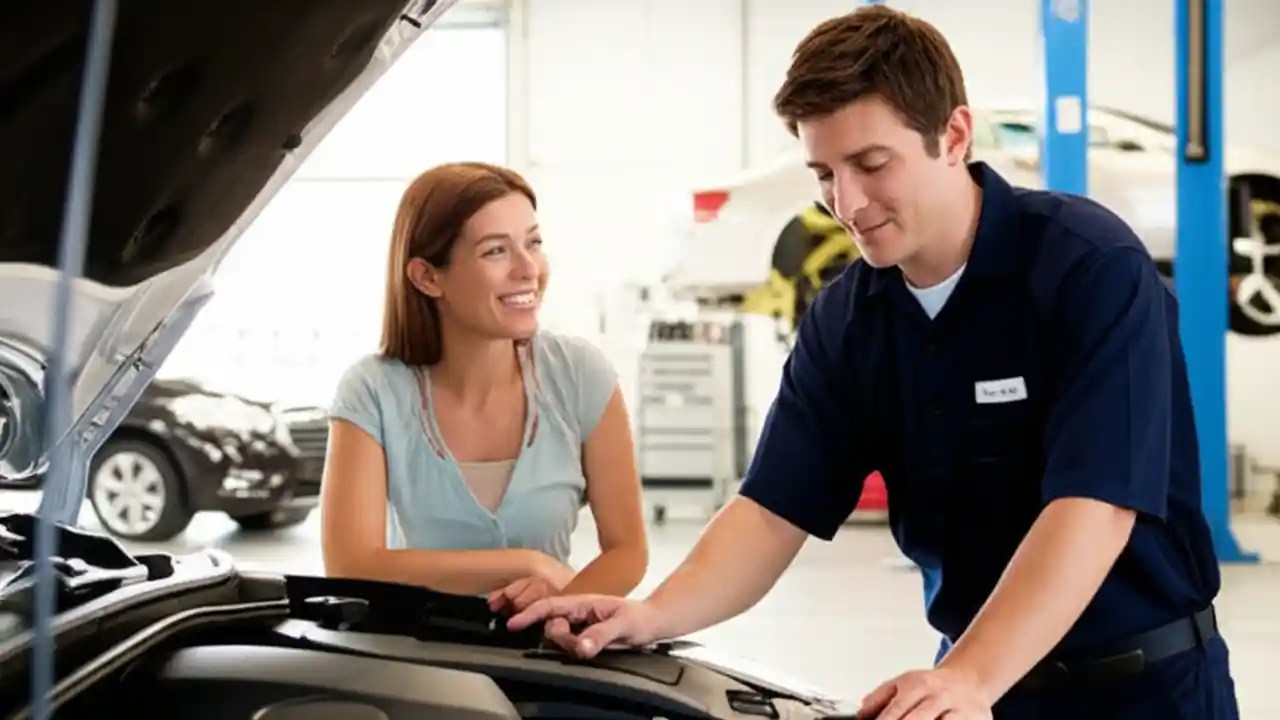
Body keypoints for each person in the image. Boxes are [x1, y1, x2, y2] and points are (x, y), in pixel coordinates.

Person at [507, 7, 1239, 720]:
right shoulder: (847, 319)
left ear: (953, 135)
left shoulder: (1088, 268)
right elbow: (769, 513)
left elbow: (1092, 509)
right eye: (824, 171)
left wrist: (968, 676)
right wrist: (652, 612)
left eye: (870, 164)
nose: (845, 203)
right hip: (975, 690)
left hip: (1144, 689)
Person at [319, 161, 648, 614]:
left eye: (533, 243)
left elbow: (627, 553)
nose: (528, 268)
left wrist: (558, 607)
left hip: (545, 656)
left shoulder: (580, 373)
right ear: (427, 277)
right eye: (496, 251)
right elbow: (351, 565)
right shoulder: (372, 391)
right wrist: (527, 563)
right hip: (415, 667)